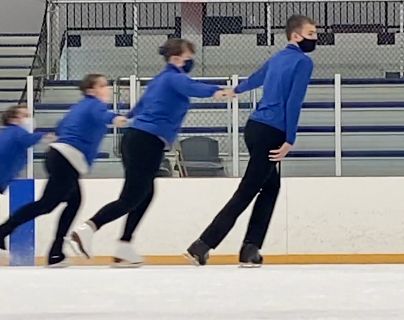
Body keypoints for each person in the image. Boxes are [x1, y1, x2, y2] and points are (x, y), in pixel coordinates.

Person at [68, 39, 232, 267]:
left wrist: (128, 118)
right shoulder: (174, 78)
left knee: (145, 194)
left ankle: (124, 246)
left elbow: (139, 107)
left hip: (137, 139)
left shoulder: (160, 80)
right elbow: (192, 87)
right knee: (132, 198)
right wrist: (218, 91)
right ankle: (89, 228)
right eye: (188, 57)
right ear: (176, 58)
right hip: (146, 141)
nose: (190, 61)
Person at [185, 15, 317, 268]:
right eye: (311, 33)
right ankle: (202, 245)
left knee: (270, 186)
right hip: (272, 130)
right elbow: (294, 101)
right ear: (296, 36)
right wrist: (290, 138)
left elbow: (257, 77)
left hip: (255, 128)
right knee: (248, 190)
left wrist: (236, 90)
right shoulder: (303, 62)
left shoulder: (279, 57)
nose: (315, 38)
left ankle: (250, 248)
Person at [0, 75, 127, 267]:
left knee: (72, 201)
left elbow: (60, 127)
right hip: (66, 159)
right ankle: (8, 233)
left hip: (60, 157)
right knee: (47, 204)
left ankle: (56, 252)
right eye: (102, 85)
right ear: (91, 91)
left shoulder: (78, 108)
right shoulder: (94, 105)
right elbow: (102, 115)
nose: (107, 88)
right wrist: (116, 117)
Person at [0, 105, 55, 260]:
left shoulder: (9, 134)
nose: (28, 118)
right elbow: (27, 139)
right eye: (24, 115)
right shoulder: (15, 132)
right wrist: (45, 135)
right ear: (12, 119)